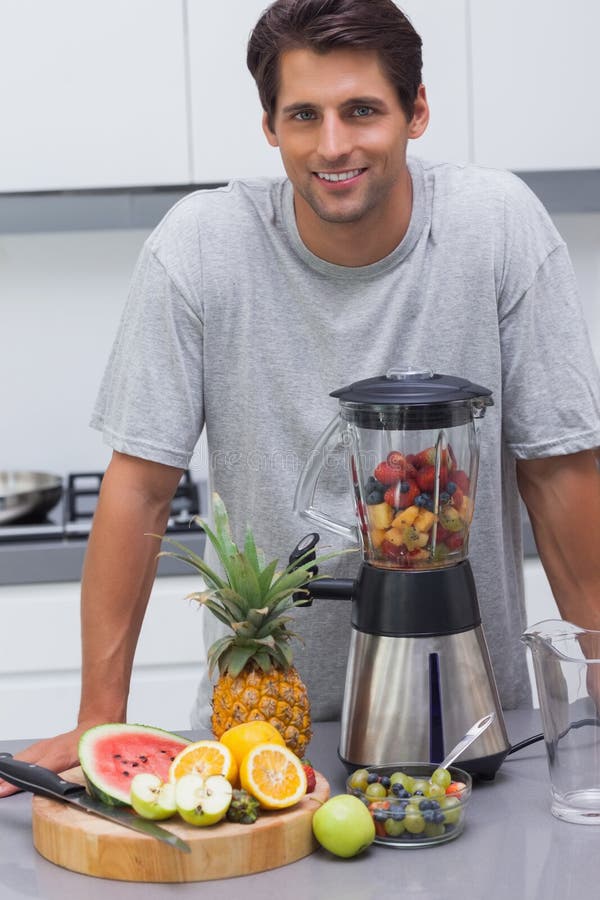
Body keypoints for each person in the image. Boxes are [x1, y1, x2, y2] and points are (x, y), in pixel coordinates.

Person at [2, 0, 599, 796]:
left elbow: (559, 473)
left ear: (416, 113)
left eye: (362, 111)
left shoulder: (498, 228)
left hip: (478, 728)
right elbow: (141, 489)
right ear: (268, 126)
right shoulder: (201, 246)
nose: (333, 145)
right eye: (303, 115)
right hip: (254, 739)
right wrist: (97, 716)